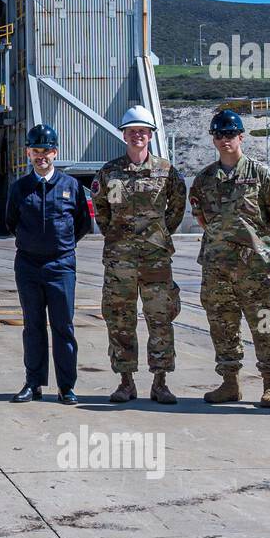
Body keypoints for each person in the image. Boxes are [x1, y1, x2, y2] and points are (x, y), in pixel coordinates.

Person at [188, 108, 270, 408]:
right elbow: (202, 218)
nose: (224, 140)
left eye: (230, 134)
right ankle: (230, 383)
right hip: (217, 268)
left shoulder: (263, 176)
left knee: (263, 326)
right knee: (223, 326)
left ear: (241, 136)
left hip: (254, 268)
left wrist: (253, 243)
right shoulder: (204, 180)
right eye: (218, 135)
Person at [91, 106, 187, 405]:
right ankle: (125, 381)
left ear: (150, 135)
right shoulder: (109, 171)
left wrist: (160, 234)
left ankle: (160, 382)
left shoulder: (166, 171)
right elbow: (100, 209)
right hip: (120, 260)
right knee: (120, 319)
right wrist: (117, 236)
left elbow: (178, 206)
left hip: (156, 260)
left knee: (160, 319)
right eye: (132, 131)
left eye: (142, 131)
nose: (137, 136)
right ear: (124, 134)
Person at [5, 124, 92, 404]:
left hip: (61, 265)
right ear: (28, 152)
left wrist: (60, 247)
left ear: (56, 152)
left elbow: (81, 224)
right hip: (29, 266)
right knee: (33, 326)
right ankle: (33, 383)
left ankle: (66, 386)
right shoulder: (20, 188)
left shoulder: (71, 186)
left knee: (63, 327)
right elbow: (11, 223)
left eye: (47, 151)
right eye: (36, 151)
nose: (41, 156)